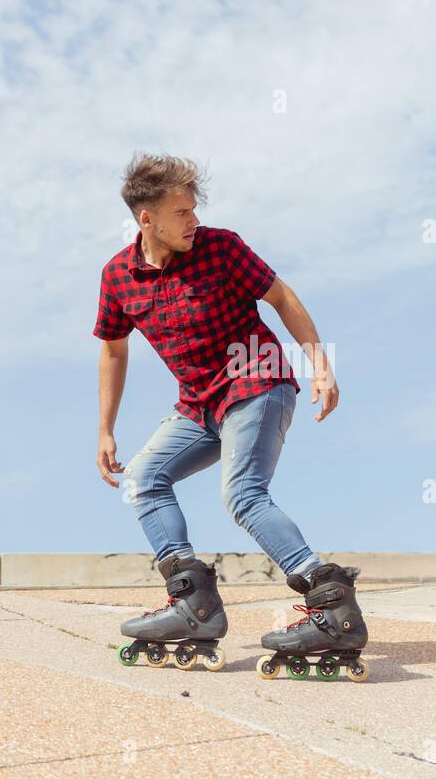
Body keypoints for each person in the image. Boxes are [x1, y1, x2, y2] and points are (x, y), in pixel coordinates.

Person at [93, 153, 369, 680]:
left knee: (242, 493)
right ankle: (192, 604)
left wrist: (321, 365)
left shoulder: (222, 248)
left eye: (194, 209)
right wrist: (105, 428)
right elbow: (113, 350)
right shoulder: (118, 278)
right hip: (198, 404)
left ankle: (330, 602)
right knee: (143, 478)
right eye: (181, 213)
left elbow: (281, 296)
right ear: (146, 219)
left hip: (257, 381)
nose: (193, 221)